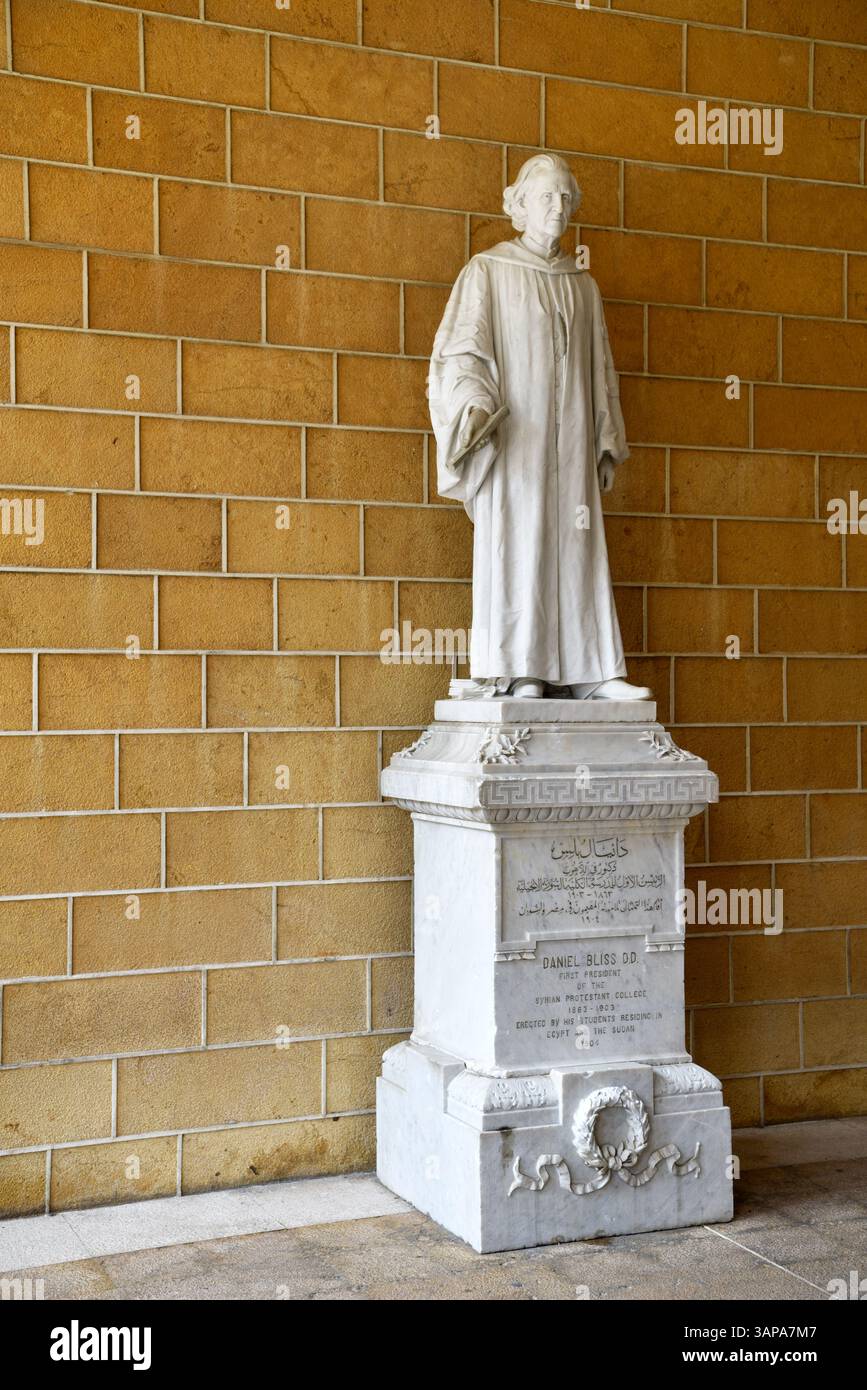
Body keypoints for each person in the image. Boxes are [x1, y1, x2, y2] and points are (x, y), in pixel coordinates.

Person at [428, 152, 652, 701]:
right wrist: (472, 408)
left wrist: (604, 441)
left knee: (579, 545)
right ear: (520, 207)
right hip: (516, 444)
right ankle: (519, 667)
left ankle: (593, 670)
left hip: (572, 443)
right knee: (520, 542)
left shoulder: (583, 286)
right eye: (545, 197)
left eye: (565, 198)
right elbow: (461, 354)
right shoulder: (487, 271)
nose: (558, 207)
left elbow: (600, 371)